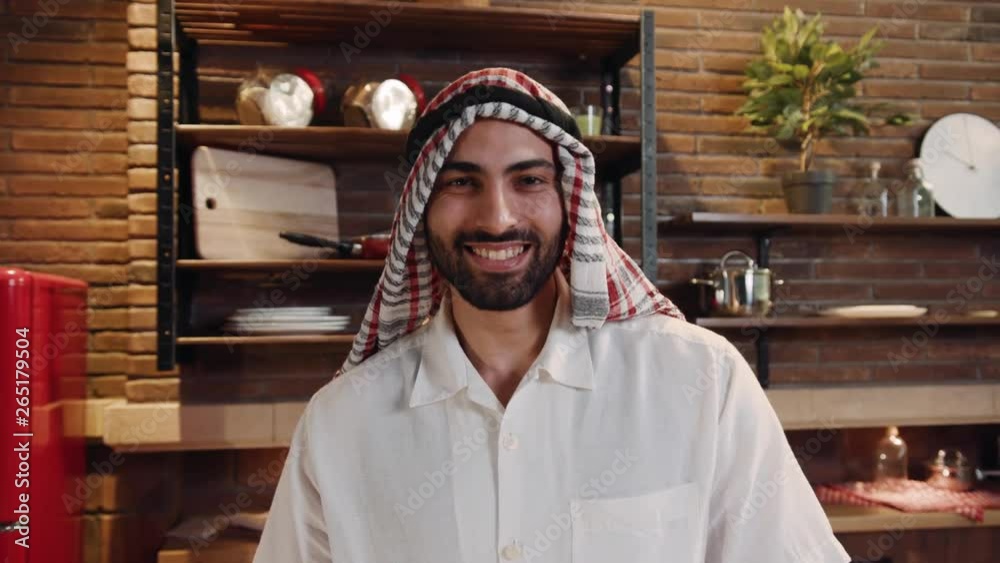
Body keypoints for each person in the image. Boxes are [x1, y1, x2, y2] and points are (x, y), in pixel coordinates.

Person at [253, 68, 849, 563]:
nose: (497, 217)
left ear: (569, 201)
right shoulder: (340, 427)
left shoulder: (701, 382)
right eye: (462, 182)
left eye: (529, 180)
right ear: (419, 209)